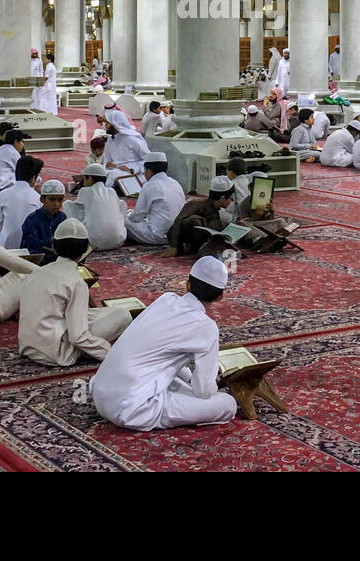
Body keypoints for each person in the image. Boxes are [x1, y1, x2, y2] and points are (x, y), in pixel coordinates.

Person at [90, 256, 238, 431]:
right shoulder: (206, 327)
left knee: (178, 377)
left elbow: (172, 358)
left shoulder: (166, 299)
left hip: (100, 394)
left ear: (187, 284)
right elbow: (203, 390)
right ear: (220, 296)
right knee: (227, 404)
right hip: (132, 410)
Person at [18, 218, 134, 367]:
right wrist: (109, 354)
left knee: (98, 313)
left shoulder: (36, 273)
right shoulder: (76, 282)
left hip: (28, 346)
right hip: (58, 353)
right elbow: (78, 337)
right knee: (122, 315)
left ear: (54, 246)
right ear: (86, 249)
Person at [162, 176, 236, 258]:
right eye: (231, 199)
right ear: (222, 198)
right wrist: (174, 246)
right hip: (178, 236)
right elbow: (179, 220)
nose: (231, 201)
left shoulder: (216, 210)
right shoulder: (198, 204)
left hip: (196, 239)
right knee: (195, 220)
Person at [125, 152, 187, 245]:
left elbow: (137, 216)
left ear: (149, 170)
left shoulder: (150, 185)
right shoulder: (175, 183)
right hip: (175, 235)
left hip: (157, 235)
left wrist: (128, 214)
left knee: (124, 220)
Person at [0, 155, 45, 249]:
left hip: (4, 248)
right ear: (33, 178)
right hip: (29, 249)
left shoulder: (2, 195)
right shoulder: (38, 198)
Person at [78, 162, 127, 249]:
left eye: (84, 179)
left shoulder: (85, 191)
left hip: (93, 242)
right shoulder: (111, 191)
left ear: (89, 179)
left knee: (68, 205)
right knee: (121, 206)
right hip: (118, 241)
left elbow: (77, 213)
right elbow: (122, 207)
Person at [20, 179, 69, 256]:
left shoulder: (62, 217)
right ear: (42, 199)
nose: (56, 204)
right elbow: (31, 245)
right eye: (52, 199)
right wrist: (50, 241)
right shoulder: (33, 219)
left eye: (60, 200)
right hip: (39, 258)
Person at [103, 108, 148, 186]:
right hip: (113, 171)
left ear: (115, 124)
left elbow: (148, 161)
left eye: (107, 122)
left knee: (113, 177)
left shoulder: (133, 139)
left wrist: (131, 169)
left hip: (132, 173)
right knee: (93, 172)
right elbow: (106, 160)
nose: (105, 125)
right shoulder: (110, 140)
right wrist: (107, 164)